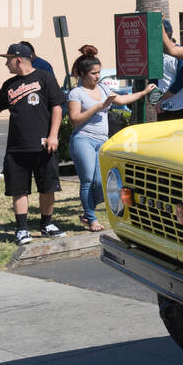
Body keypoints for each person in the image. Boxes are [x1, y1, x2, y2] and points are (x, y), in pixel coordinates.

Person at [0, 42, 68, 245]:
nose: (6, 64)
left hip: (43, 144)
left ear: (18, 59)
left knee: (47, 187)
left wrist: (53, 135)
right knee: (18, 189)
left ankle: (47, 225)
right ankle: (22, 230)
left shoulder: (45, 78)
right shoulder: (9, 85)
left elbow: (57, 107)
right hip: (16, 147)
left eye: (8, 60)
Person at [67, 46, 154, 231]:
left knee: (101, 183)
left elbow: (122, 100)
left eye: (99, 72)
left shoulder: (103, 89)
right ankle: (92, 219)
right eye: (93, 73)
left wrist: (144, 92)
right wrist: (96, 108)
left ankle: (88, 209)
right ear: (83, 73)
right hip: (83, 140)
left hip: (102, 141)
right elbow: (74, 120)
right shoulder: (76, 93)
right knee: (88, 181)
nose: (97, 76)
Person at [156, 25, 183, 121]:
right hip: (164, 109)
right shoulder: (155, 54)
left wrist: (161, 99)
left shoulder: (182, 53)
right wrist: (156, 102)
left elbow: (180, 82)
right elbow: (154, 81)